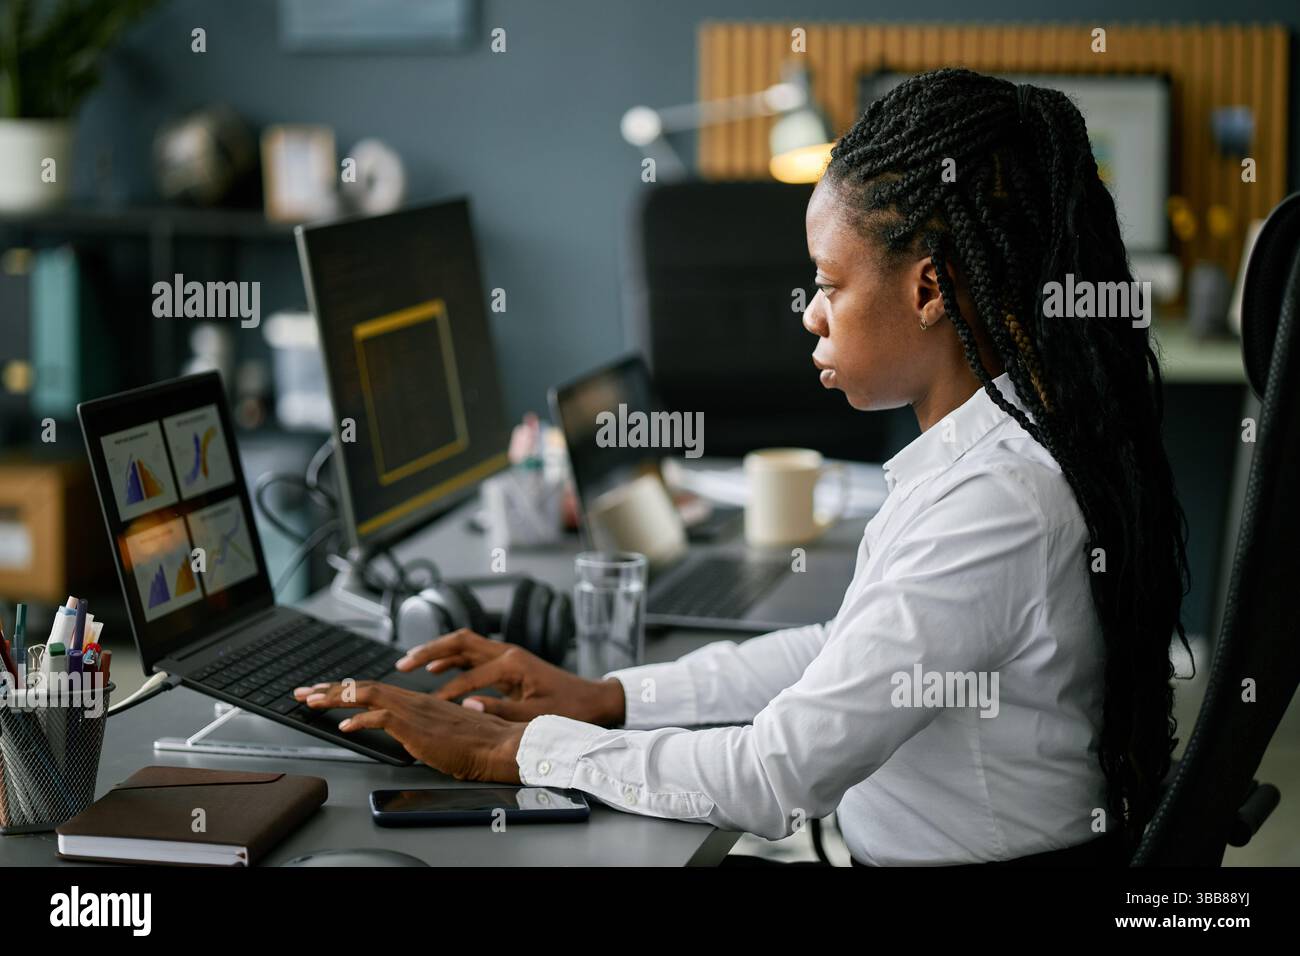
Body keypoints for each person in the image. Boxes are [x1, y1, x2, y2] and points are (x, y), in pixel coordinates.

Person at [293, 68, 1190, 867]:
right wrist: (607, 697)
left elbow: (772, 777)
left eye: (830, 284)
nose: (811, 314)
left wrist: (512, 751)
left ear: (929, 289)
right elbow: (843, 651)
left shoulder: (997, 501)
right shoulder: (995, 452)